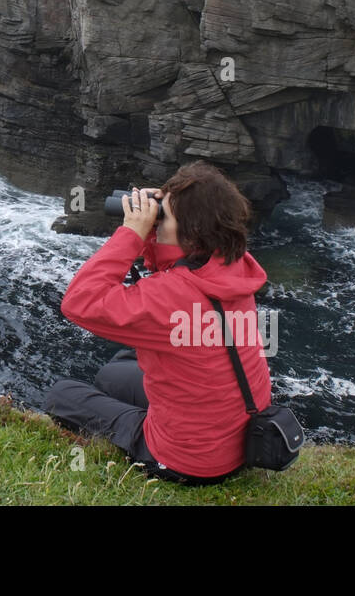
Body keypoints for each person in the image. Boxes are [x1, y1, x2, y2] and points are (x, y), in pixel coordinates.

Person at [43, 160, 272, 485]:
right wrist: (162, 225)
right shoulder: (233, 263)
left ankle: (149, 438)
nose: (155, 221)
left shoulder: (172, 295)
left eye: (164, 218)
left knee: (62, 394)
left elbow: (79, 302)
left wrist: (132, 233)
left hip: (189, 461)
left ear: (191, 235)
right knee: (113, 373)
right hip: (243, 439)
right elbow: (175, 269)